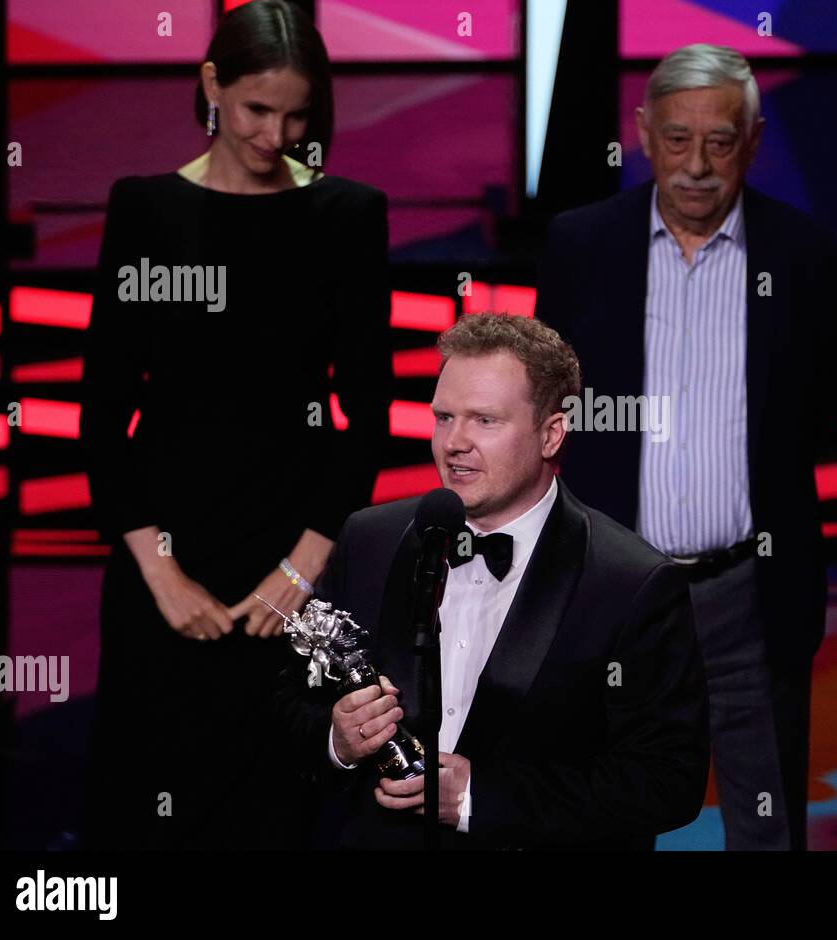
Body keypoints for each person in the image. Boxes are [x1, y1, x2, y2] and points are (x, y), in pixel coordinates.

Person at [80, 0, 391, 848]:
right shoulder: (144, 209)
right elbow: (104, 412)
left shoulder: (345, 215)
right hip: (163, 556)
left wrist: (302, 569)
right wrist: (160, 572)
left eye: (296, 116)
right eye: (258, 109)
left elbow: (367, 415)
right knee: (149, 802)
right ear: (211, 81)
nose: (275, 134)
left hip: (294, 555)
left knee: (279, 805)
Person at [534, 44, 837, 850]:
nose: (698, 164)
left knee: (765, 820)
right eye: (678, 139)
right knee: (605, 814)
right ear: (644, 133)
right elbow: (548, 408)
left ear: (752, 139)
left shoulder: (809, 258)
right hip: (607, 591)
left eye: (720, 141)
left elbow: (822, 415)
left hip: (748, 589)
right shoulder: (581, 246)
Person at [276, 313, 710, 849]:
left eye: (484, 420)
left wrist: (477, 798)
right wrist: (337, 739)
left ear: (551, 434)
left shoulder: (631, 583)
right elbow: (287, 706)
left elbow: (666, 783)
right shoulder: (370, 540)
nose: (453, 442)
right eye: (443, 417)